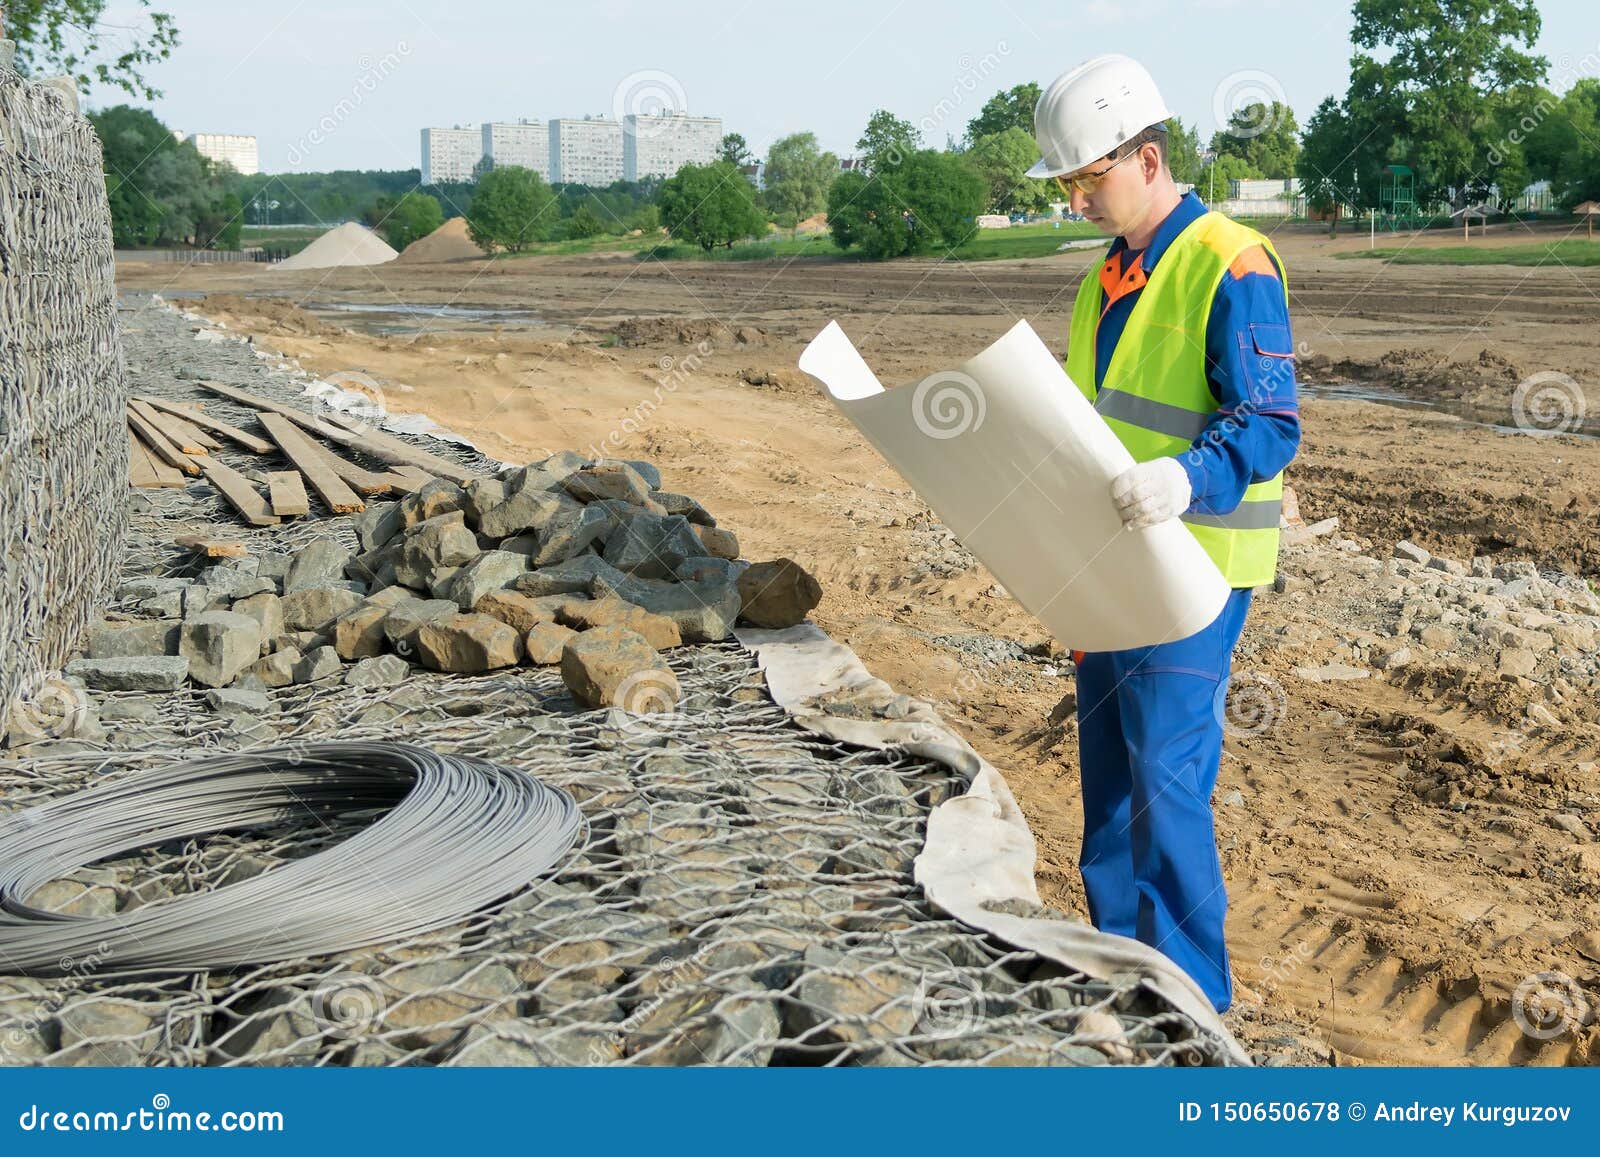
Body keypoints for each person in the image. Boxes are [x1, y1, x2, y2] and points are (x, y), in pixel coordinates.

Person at [1025, 54, 1301, 1012]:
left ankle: (1192, 1005)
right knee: (1108, 779)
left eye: (1085, 179)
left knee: (1164, 779)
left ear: (1145, 157)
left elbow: (1270, 420)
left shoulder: (1234, 259)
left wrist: (1186, 478)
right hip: (1109, 568)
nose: (1075, 201)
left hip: (1197, 567)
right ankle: (1118, 972)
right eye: (1065, 184)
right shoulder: (1100, 280)